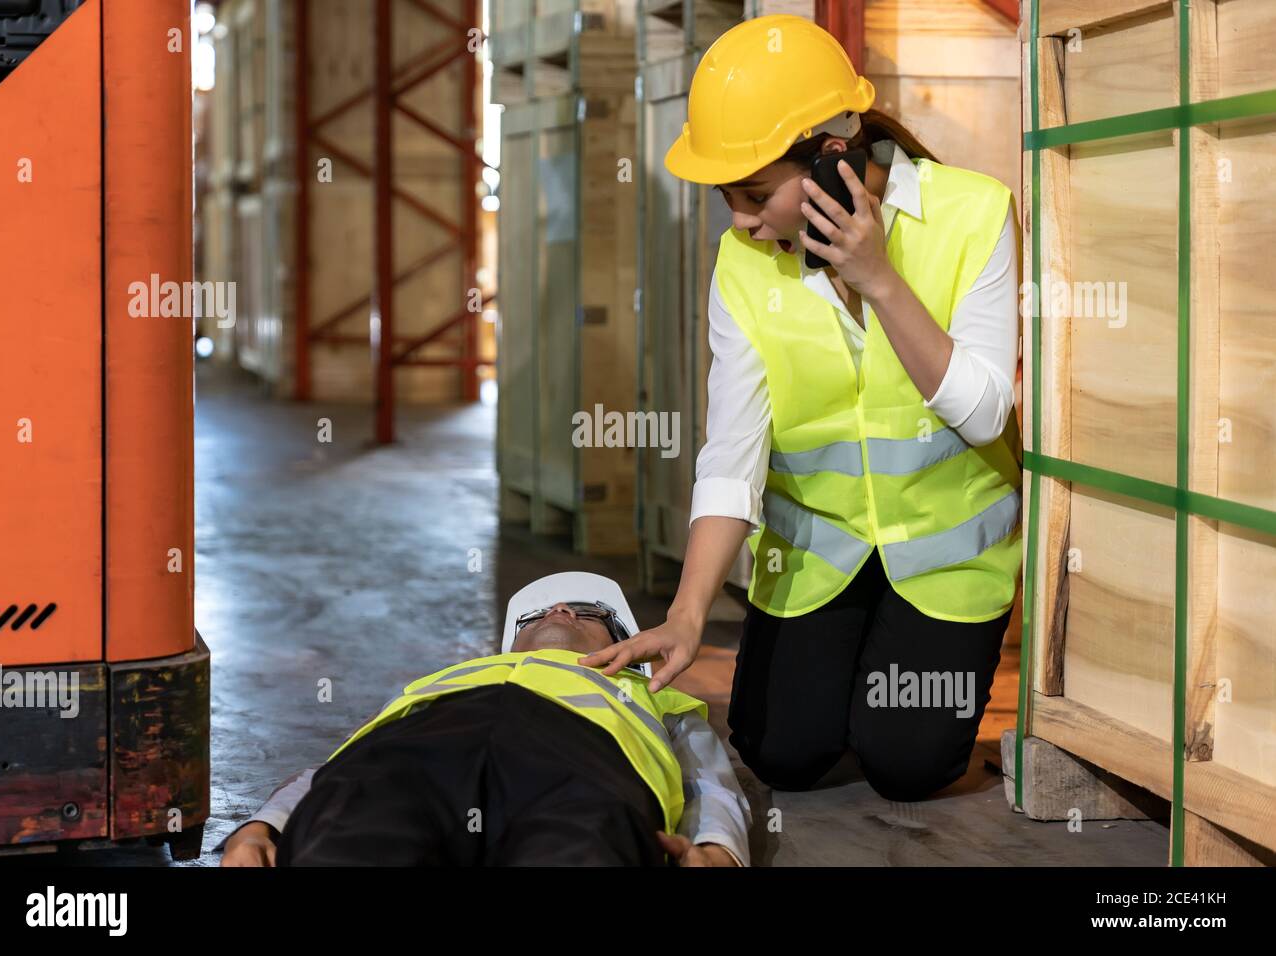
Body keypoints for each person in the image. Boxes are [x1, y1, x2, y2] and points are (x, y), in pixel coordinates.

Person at [580, 14, 1021, 802]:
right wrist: (686, 613)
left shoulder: (975, 214)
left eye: (754, 196)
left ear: (830, 159)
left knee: (907, 766)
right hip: (818, 561)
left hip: (946, 562)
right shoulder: (743, 263)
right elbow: (733, 453)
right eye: (727, 200)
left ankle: (887, 691)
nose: (741, 222)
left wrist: (879, 278)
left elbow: (985, 415)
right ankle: (839, 681)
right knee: (780, 753)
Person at [218, 572, 751, 866]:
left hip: (583, 769)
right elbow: (340, 768)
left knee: (582, 852)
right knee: (349, 841)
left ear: (623, 647)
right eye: (539, 614)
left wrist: (718, 852)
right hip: (416, 756)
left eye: (585, 612)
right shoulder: (436, 684)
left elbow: (711, 783)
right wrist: (263, 825)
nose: (558, 611)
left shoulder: (651, 693)